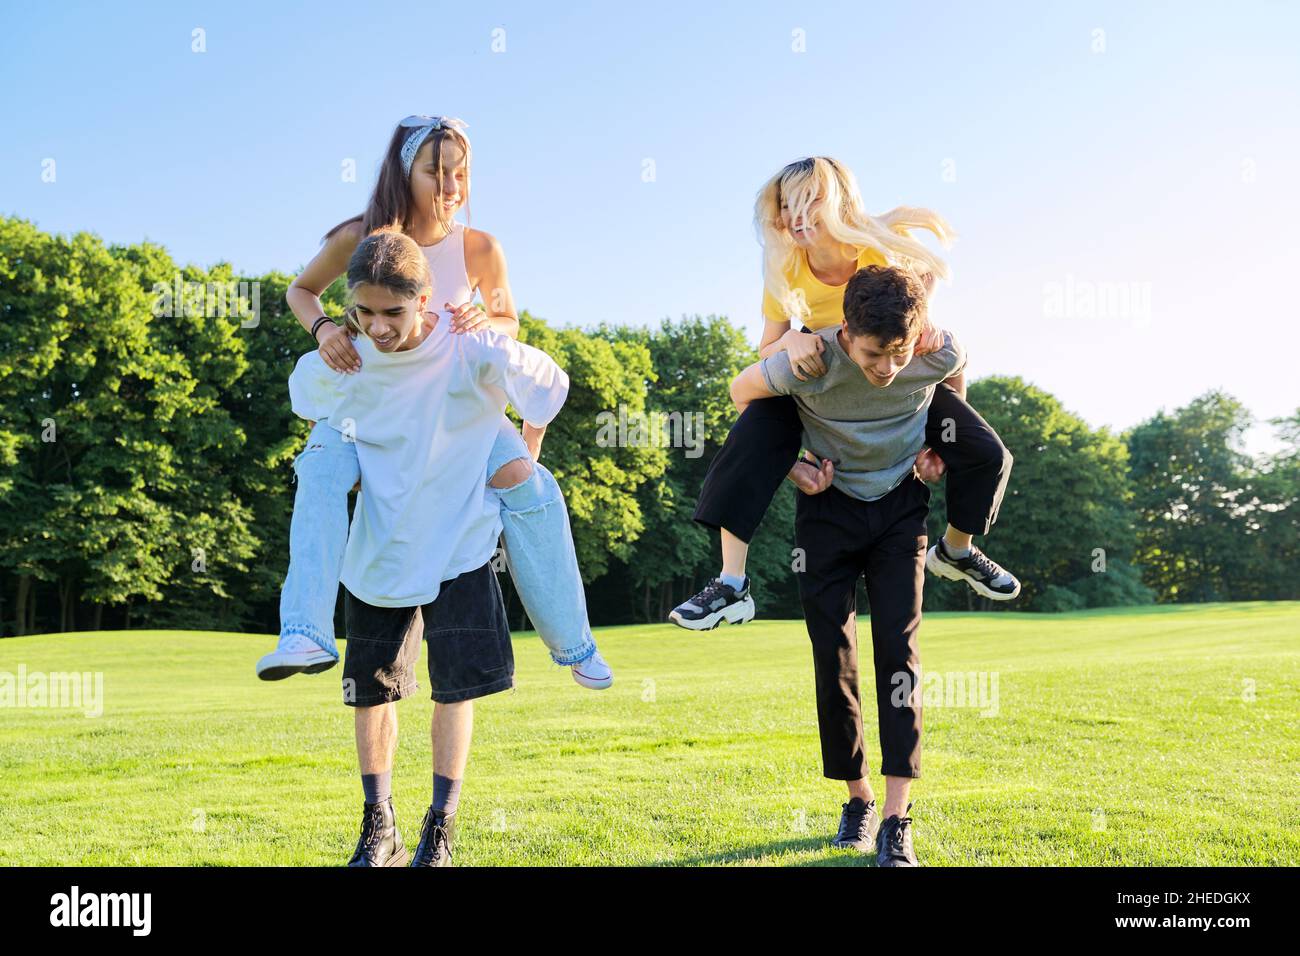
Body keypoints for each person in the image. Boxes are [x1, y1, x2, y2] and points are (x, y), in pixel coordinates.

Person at [258, 114, 610, 689]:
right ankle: (304, 631)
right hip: (369, 401)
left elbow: (508, 320)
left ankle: (575, 645)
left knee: (529, 481)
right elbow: (301, 291)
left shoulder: (480, 247)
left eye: (460, 173)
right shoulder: (359, 238)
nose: (450, 186)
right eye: (436, 171)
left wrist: (487, 318)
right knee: (319, 470)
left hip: (455, 401)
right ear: (405, 173)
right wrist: (324, 330)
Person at [287, 229, 572, 866]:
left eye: (393, 312)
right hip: (384, 545)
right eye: (366, 312)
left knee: (456, 685)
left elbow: (527, 368)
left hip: (462, 536)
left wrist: (524, 447)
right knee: (372, 687)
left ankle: (439, 828)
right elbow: (323, 399)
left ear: (425, 300)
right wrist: (329, 332)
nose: (378, 326)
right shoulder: (359, 282)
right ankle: (377, 824)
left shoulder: (468, 268)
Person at [671, 157, 1017, 631]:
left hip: (891, 373)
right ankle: (732, 583)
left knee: (987, 452)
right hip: (826, 380)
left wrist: (927, 319)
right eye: (786, 205)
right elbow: (766, 348)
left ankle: (956, 550)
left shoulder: (876, 248)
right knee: (754, 429)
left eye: (810, 200)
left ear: (840, 203)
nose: (797, 215)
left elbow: (924, 291)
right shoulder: (786, 269)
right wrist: (792, 341)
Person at [727, 265, 971, 866]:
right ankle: (858, 800)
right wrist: (789, 466)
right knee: (832, 657)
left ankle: (896, 818)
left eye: (899, 352)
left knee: (899, 653)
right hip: (826, 512)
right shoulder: (809, 361)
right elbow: (742, 396)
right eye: (873, 353)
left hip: (899, 512)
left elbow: (955, 372)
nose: (888, 368)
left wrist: (940, 442)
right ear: (846, 331)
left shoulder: (930, 352)